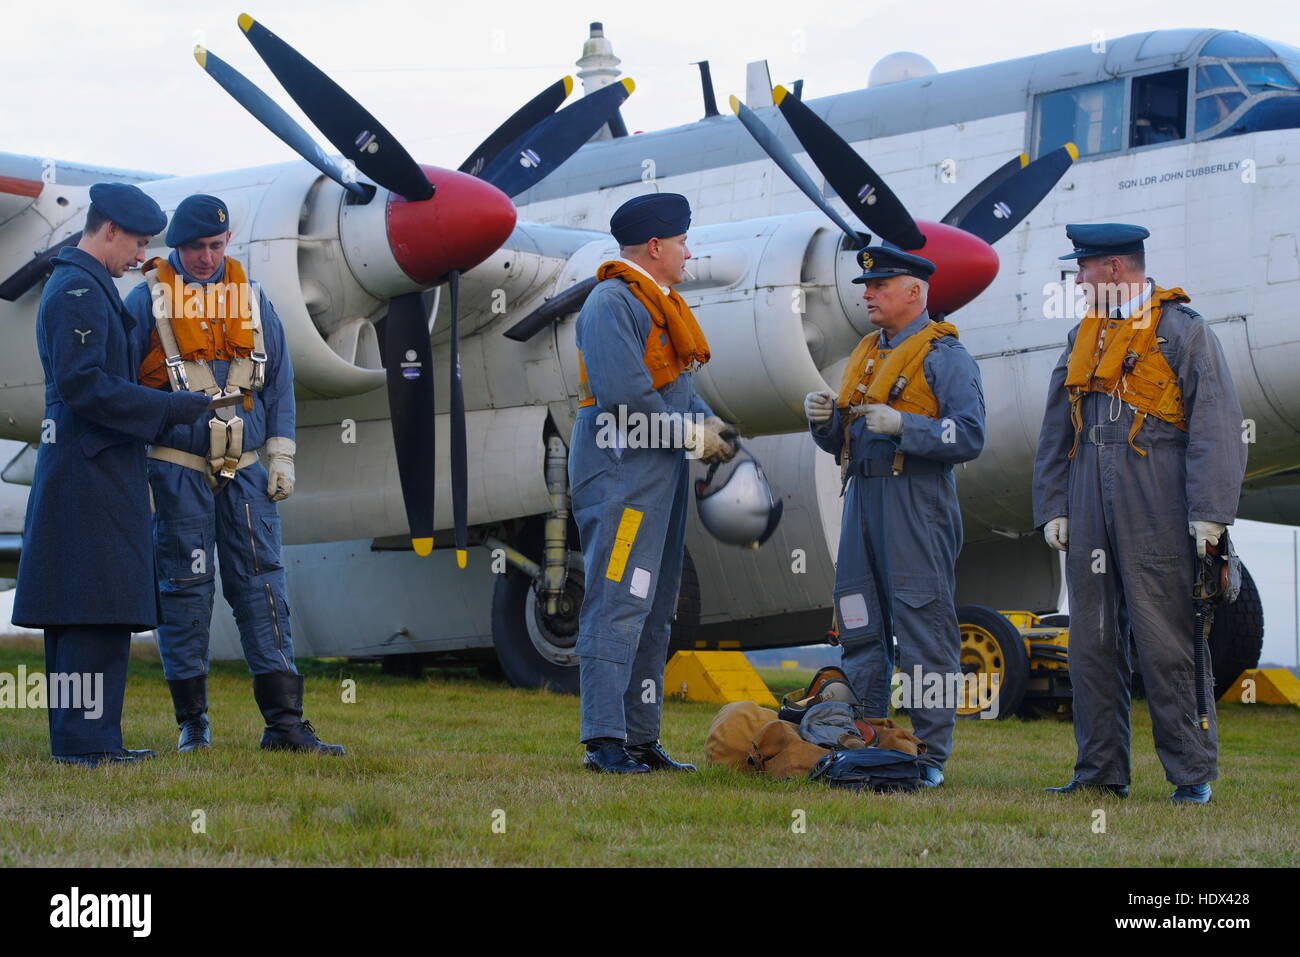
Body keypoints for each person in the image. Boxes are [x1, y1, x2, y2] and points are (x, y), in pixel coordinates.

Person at [123, 194, 343, 755]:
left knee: (263, 586)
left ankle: (285, 724)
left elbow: (280, 384)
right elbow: (120, 393)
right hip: (176, 472)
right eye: (194, 247)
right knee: (185, 592)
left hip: (245, 471)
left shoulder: (254, 301)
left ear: (228, 244)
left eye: (215, 246)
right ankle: (192, 725)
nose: (204, 257)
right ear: (176, 246)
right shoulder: (142, 305)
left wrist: (283, 455)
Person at [1033, 223, 1245, 804]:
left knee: (1168, 641)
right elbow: (1057, 426)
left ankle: (1191, 776)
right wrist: (1054, 504)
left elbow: (1217, 424)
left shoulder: (1182, 331)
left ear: (1116, 270)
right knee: (1091, 643)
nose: (1077, 279)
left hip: (1159, 502)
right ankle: (1100, 773)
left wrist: (1209, 514)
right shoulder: (1084, 336)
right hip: (1088, 500)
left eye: (1084, 268)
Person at [12, 183, 211, 766]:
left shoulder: (90, 286)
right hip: (88, 470)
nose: (140, 256)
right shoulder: (78, 289)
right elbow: (82, 383)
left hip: (96, 467)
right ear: (109, 231)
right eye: (138, 243)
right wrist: (168, 410)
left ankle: (90, 740)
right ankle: (85, 745)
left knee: (93, 604)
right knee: (90, 604)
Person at [805, 246, 985, 788]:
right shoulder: (866, 350)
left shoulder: (947, 356)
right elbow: (845, 435)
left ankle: (930, 756)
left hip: (915, 502)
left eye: (880, 286)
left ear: (914, 292)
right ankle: (868, 743)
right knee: (859, 624)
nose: (867, 295)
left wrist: (906, 426)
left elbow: (970, 435)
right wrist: (823, 424)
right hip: (862, 495)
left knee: (923, 630)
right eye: (867, 286)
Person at [569, 192, 737, 773]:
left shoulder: (656, 304)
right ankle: (604, 740)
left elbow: (677, 393)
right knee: (617, 598)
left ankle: (640, 738)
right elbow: (624, 398)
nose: (690, 254)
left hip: (655, 475)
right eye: (684, 242)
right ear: (658, 247)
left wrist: (717, 430)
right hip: (621, 473)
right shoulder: (612, 302)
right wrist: (693, 438)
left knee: (655, 605)